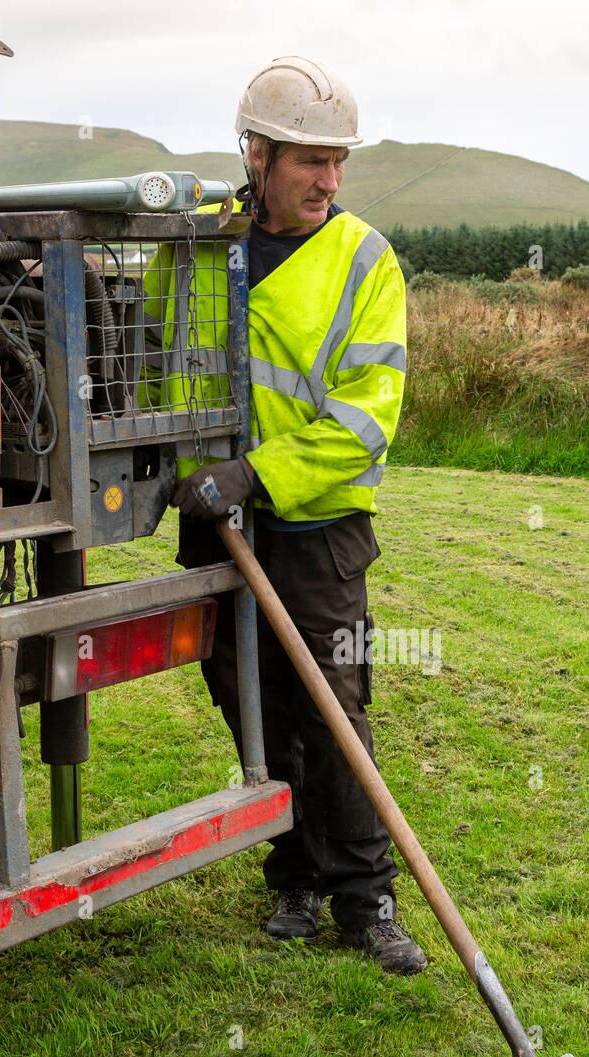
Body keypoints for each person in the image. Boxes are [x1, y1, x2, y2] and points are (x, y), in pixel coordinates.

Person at [161, 55, 427, 975]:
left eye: (338, 161)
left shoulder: (366, 260)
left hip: (312, 526)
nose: (329, 180)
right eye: (310, 159)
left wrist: (255, 474)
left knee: (333, 711)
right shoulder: (197, 243)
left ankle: (367, 897)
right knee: (251, 703)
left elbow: (363, 421)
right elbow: (155, 361)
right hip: (216, 519)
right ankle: (294, 879)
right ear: (259, 152)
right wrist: (177, 468)